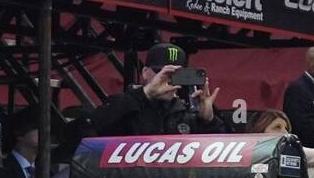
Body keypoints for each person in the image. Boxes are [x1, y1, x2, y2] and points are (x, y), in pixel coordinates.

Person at [90, 42, 227, 136]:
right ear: (145, 72)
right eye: (160, 72)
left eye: (173, 75)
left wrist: (208, 121)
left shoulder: (187, 113)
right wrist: (146, 93)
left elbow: (218, 155)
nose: (165, 79)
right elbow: (97, 126)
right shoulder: (123, 104)